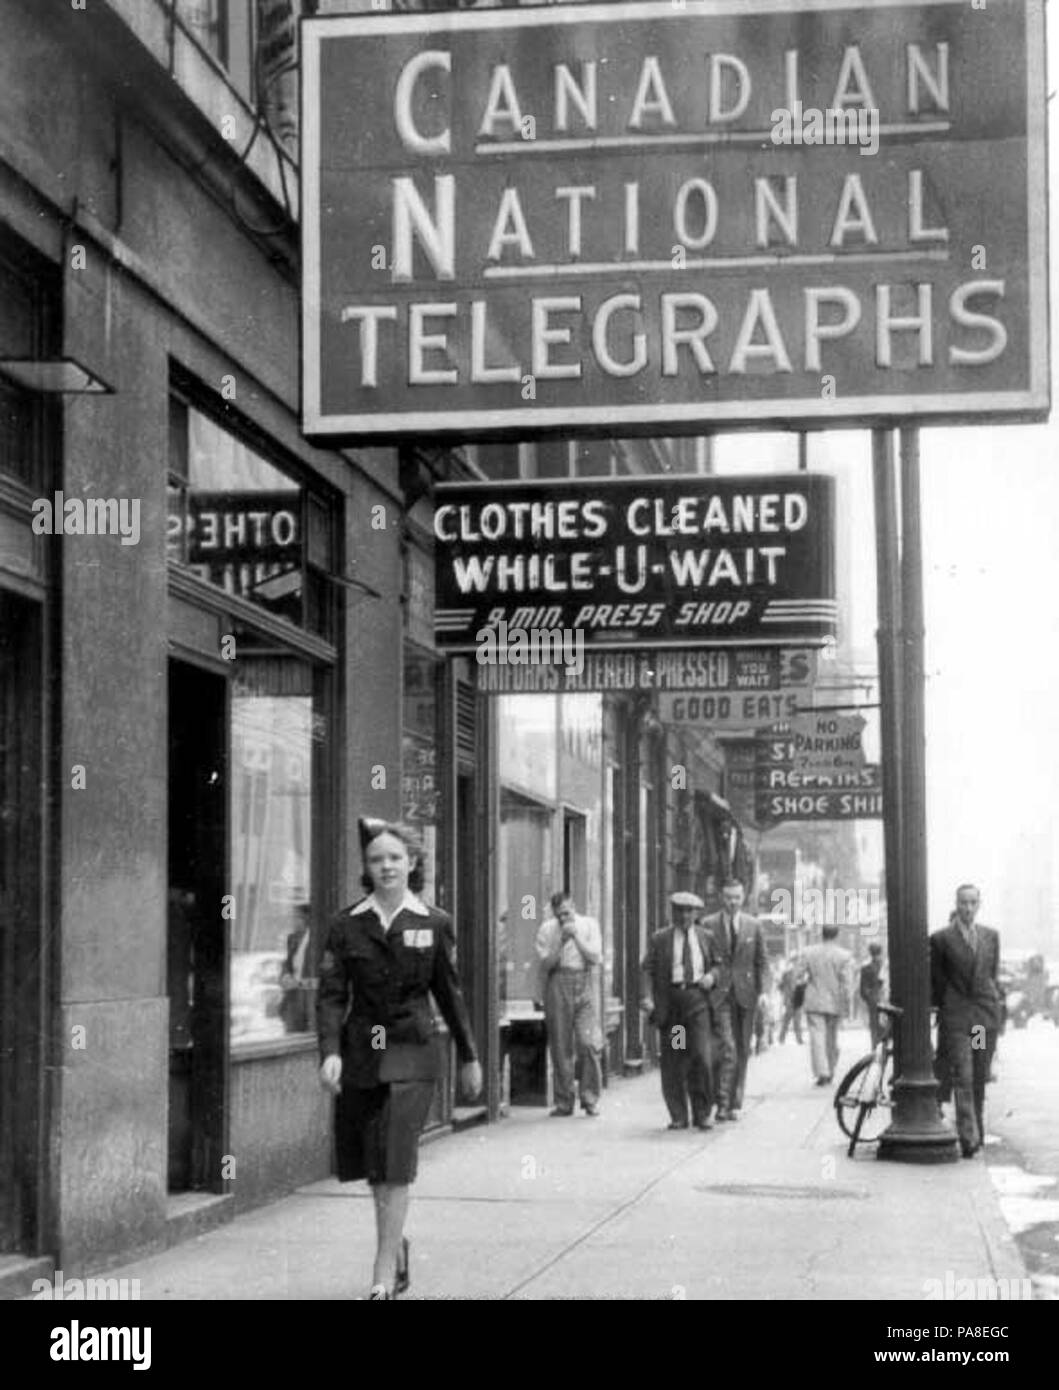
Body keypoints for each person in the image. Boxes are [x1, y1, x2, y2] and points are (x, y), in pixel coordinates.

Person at [317, 818, 482, 1300]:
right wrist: (330, 1053)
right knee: (374, 1165)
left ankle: (382, 1269)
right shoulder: (345, 924)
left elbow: (449, 994)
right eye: (376, 859)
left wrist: (469, 1055)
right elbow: (330, 995)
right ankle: (396, 1242)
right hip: (362, 1055)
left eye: (394, 857)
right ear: (367, 868)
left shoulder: (434, 922)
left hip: (413, 1052)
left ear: (411, 862)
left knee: (394, 1161)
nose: (386, 865)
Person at [929, 883, 1002, 1159]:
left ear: (979, 904)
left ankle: (977, 1129)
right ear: (956, 904)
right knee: (964, 1074)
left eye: (973, 903)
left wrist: (991, 1007)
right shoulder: (941, 939)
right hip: (957, 1019)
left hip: (981, 1020)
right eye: (963, 903)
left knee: (979, 1074)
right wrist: (945, 1008)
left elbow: (991, 977)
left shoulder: (990, 937)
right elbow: (937, 982)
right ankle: (968, 1137)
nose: (968, 908)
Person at [640, 891, 719, 1130]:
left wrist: (711, 977)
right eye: (679, 911)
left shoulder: (706, 937)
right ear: (672, 912)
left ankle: (703, 1113)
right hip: (673, 1006)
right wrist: (647, 997)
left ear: (696, 913)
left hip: (697, 1003)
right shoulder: (660, 939)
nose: (684, 916)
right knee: (676, 1058)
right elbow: (647, 969)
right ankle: (678, 1115)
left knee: (702, 1057)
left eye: (689, 911)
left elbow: (718, 965)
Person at [703, 878, 768, 1121]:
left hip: (746, 996)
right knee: (727, 1047)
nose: (733, 902)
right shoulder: (708, 924)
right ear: (722, 897)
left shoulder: (754, 926)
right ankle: (721, 1102)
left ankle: (733, 1103)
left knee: (742, 1050)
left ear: (744, 898)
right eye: (729, 897)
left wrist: (763, 994)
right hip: (719, 995)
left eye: (737, 897)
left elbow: (762, 962)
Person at [535, 891, 604, 1116]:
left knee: (588, 1042)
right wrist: (562, 942)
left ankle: (590, 1097)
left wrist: (576, 937)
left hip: (583, 980)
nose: (564, 919)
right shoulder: (547, 929)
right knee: (561, 1044)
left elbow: (594, 957)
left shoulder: (589, 924)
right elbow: (546, 964)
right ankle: (564, 1101)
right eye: (559, 916)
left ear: (573, 907)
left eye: (567, 913)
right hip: (558, 981)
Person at [801, 925, 854, 1085]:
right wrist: (847, 1003)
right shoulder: (844, 956)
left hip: (814, 999)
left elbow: (799, 974)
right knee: (832, 1038)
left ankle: (822, 1072)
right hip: (835, 1001)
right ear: (837, 935)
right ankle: (830, 1069)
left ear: (821, 934)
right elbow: (847, 982)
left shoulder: (808, 952)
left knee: (817, 1037)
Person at [859, 942, 886, 1049]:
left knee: (874, 1026)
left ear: (870, 953)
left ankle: (875, 1048)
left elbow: (863, 989)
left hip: (874, 1000)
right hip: (887, 999)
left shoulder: (866, 968)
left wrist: (869, 999)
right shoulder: (886, 965)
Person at [778, 954, 805, 1044]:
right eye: (795, 960)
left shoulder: (800, 972)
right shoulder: (787, 973)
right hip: (791, 999)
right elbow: (781, 986)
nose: (796, 962)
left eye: (797, 960)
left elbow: (802, 984)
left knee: (796, 1021)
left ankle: (798, 1039)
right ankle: (782, 1038)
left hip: (796, 999)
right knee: (787, 1020)